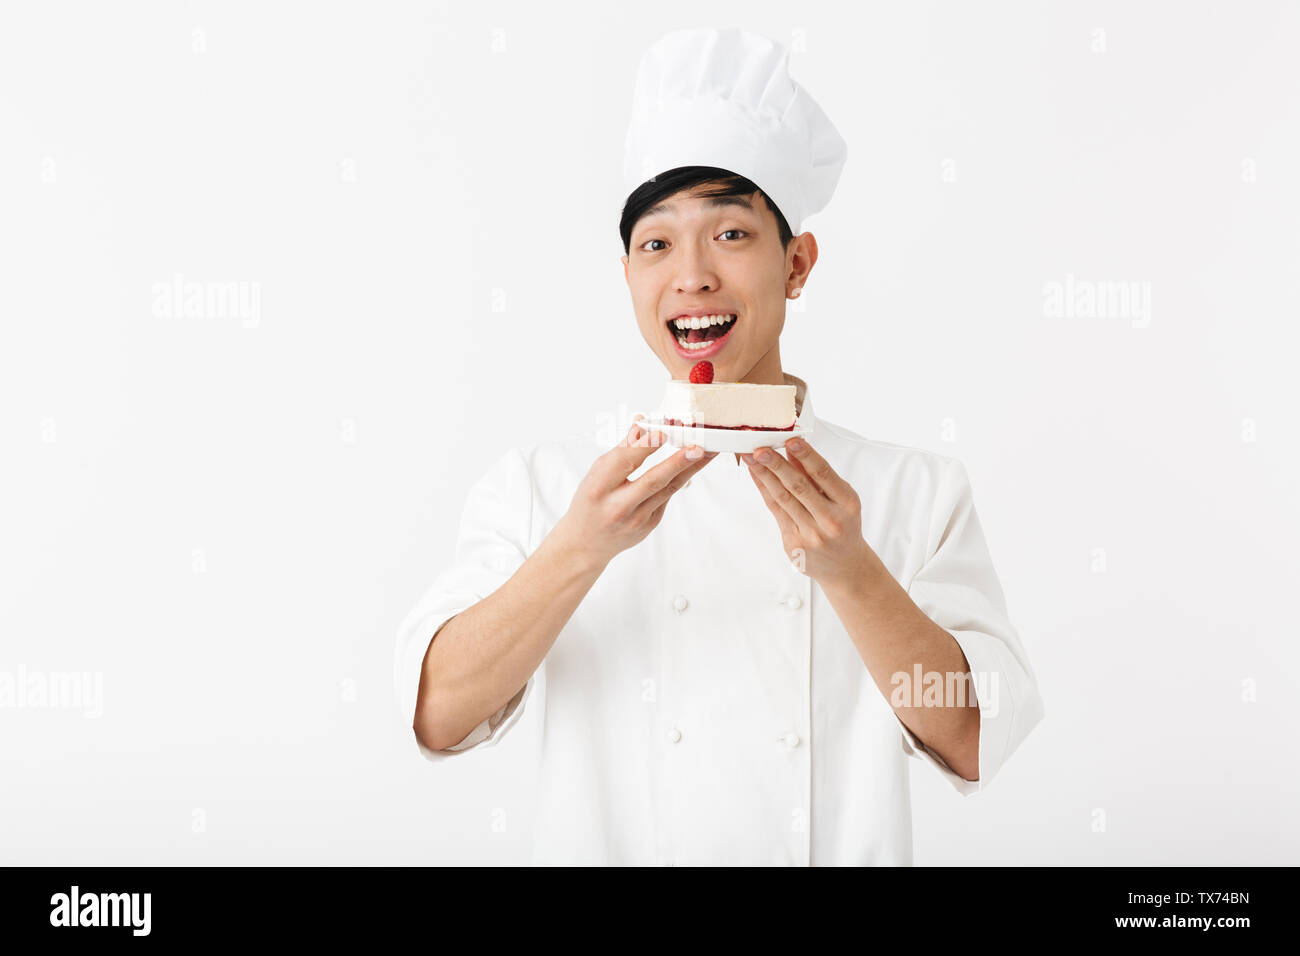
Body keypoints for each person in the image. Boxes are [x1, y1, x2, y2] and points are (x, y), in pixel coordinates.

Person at [394, 27, 1044, 865]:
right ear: (627, 275)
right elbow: (439, 715)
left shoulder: (911, 492)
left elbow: (970, 735)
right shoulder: (544, 488)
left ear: (798, 264)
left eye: (731, 235)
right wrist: (582, 547)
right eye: (655, 243)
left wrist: (851, 569)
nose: (691, 274)